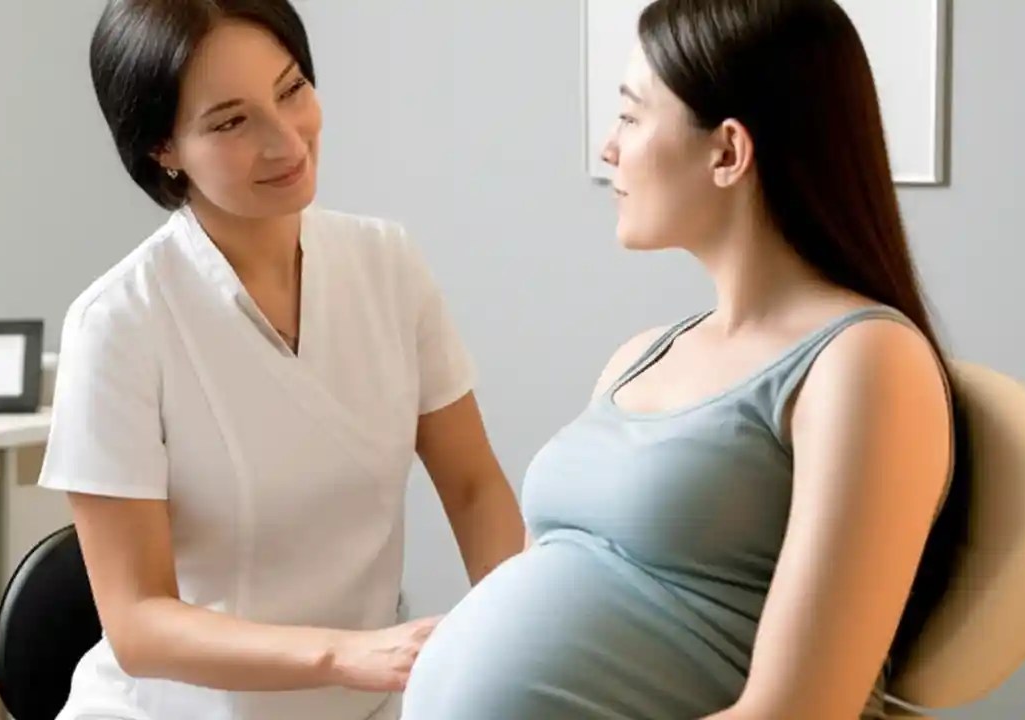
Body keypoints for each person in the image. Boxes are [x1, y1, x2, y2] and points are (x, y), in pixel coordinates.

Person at [400, 0, 957, 718]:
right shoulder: (642, 355)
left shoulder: (864, 362)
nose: (609, 149)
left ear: (727, 152)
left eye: (631, 117)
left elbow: (799, 711)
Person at [36, 2, 524, 719]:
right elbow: (136, 621)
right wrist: (348, 654)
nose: (285, 140)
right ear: (163, 148)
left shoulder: (387, 264)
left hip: (363, 703)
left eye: (292, 89)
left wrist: (519, 641)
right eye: (231, 121)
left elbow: (475, 486)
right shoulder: (119, 324)